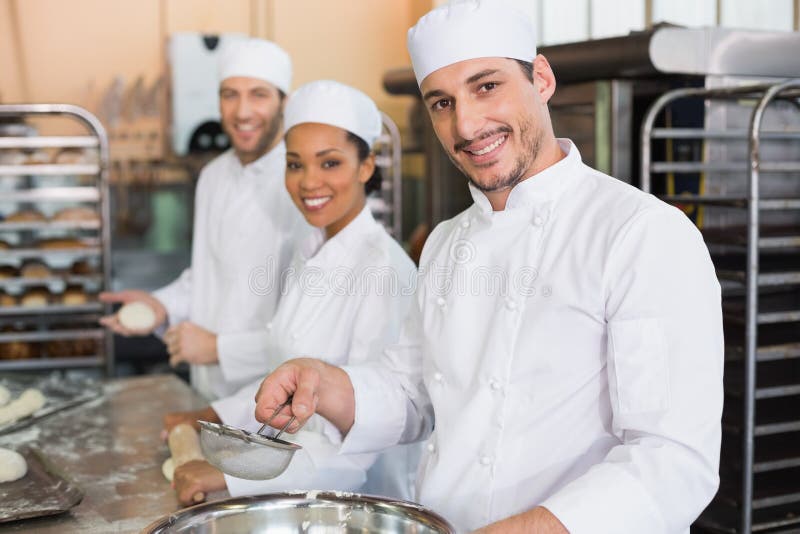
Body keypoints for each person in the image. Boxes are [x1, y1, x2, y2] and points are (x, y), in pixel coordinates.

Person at [252, 2, 725, 533]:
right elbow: (413, 394)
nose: (467, 124)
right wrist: (322, 382)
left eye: (486, 86)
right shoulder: (445, 243)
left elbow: (672, 459)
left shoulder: (640, 234)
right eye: (442, 102)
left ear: (540, 78)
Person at [164, 80, 420, 506]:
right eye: (295, 164)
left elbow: (364, 444)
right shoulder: (311, 250)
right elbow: (286, 376)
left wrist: (229, 479)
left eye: (330, 163)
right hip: (299, 491)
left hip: (359, 502)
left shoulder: (384, 273)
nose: (308, 182)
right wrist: (214, 417)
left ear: (367, 166)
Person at [99, 38, 306, 401]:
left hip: (277, 400)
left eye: (258, 94)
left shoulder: (304, 184)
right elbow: (209, 276)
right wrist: (161, 304)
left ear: (284, 103)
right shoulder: (213, 176)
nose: (242, 112)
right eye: (230, 95)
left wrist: (220, 349)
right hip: (208, 390)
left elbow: (313, 321)